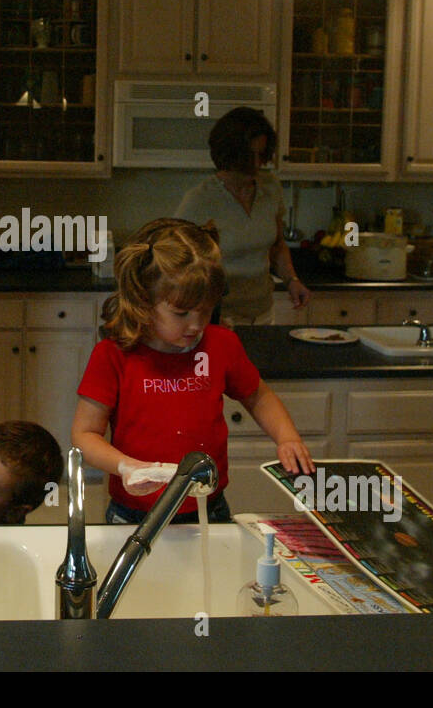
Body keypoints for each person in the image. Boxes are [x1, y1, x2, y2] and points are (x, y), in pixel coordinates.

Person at [71, 218, 315, 525]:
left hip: (208, 507)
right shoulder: (114, 355)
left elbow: (259, 396)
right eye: (181, 312)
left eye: (205, 309)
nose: (196, 324)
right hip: (134, 512)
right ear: (143, 301)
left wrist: (287, 437)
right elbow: (84, 434)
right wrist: (125, 466)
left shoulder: (221, 345)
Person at [175, 106, 310, 325]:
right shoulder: (199, 200)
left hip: (263, 312)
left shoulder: (271, 188)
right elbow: (177, 264)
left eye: (262, 155)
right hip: (220, 317)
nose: (257, 164)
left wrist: (292, 280)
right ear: (229, 155)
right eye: (249, 157)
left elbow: (277, 245)